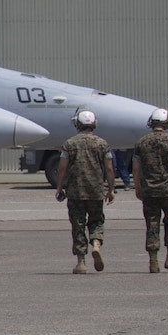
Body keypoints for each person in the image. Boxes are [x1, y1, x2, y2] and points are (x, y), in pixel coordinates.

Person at [54, 109, 116, 273]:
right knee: (96, 221)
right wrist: (111, 189)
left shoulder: (70, 144)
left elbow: (62, 167)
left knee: (78, 225)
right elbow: (109, 168)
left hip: (75, 192)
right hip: (96, 191)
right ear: (94, 123)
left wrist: (59, 188)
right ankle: (96, 244)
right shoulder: (102, 143)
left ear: (78, 124)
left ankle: (81, 262)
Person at [133, 109, 168, 273]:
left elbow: (136, 168)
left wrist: (137, 187)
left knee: (152, 223)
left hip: (150, 191)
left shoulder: (141, 143)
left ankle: (153, 261)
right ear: (167, 123)